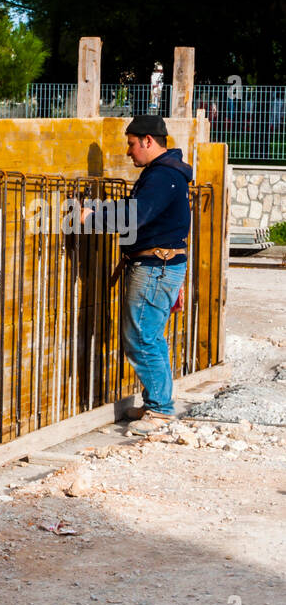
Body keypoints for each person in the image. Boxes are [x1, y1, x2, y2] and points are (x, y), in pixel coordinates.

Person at [84, 115, 192, 434]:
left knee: (140, 338)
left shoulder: (161, 176)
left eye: (131, 144)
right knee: (150, 337)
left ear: (148, 141)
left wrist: (94, 215)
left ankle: (160, 410)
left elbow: (135, 215)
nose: (128, 151)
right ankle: (156, 403)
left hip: (155, 268)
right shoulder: (165, 174)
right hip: (161, 266)